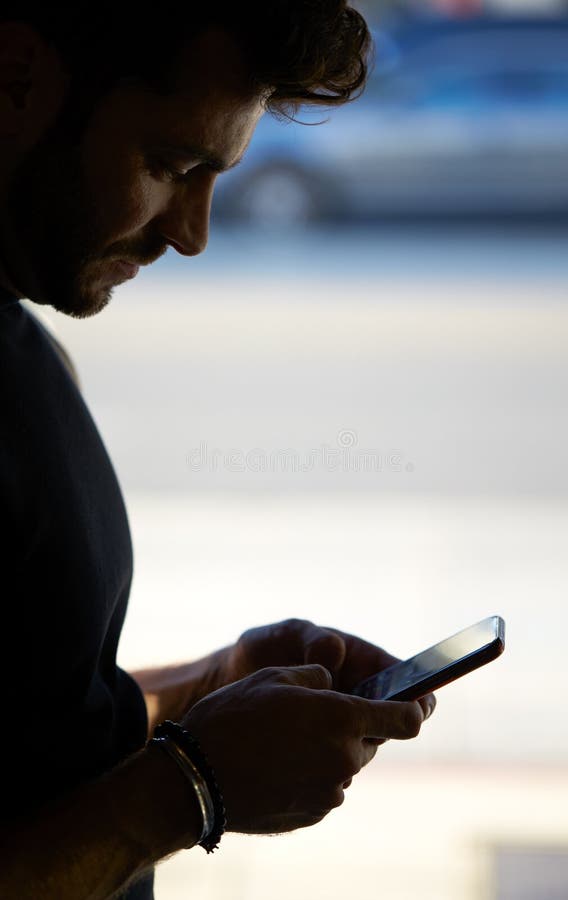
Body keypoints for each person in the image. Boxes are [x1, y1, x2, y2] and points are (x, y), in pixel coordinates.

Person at [0, 4, 436, 898]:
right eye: (167, 166)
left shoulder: (24, 346)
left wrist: (213, 685)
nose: (190, 235)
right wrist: (187, 788)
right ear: (16, 72)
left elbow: (38, 727)